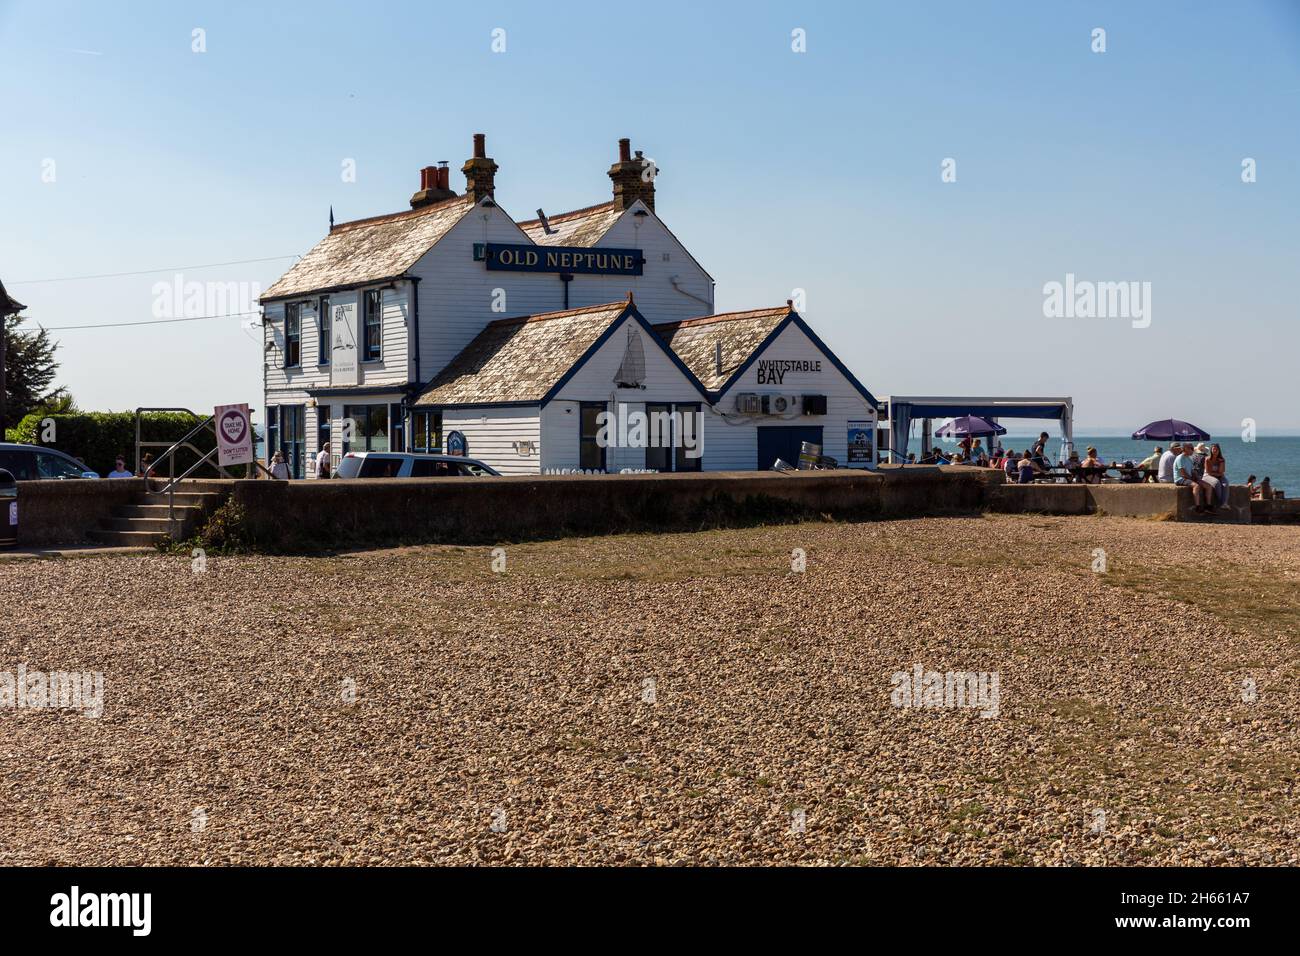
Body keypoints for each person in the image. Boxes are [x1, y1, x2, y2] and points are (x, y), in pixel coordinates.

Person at [1173, 443, 1211, 513]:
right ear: (1185, 449)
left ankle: (1208, 506)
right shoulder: (1180, 458)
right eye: (1191, 448)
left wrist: (1197, 477)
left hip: (1188, 478)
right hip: (1180, 479)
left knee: (1208, 486)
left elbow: (1192, 470)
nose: (1193, 450)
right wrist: (1193, 479)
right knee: (1196, 486)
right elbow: (1183, 473)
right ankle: (1197, 507)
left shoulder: (1189, 458)